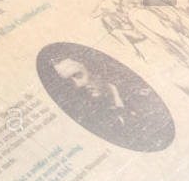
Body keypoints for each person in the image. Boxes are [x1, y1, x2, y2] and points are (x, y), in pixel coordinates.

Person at [37, 43, 175, 152]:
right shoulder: (95, 120)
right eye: (69, 82)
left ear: (93, 69)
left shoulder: (143, 96)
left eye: (78, 75)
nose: (78, 85)